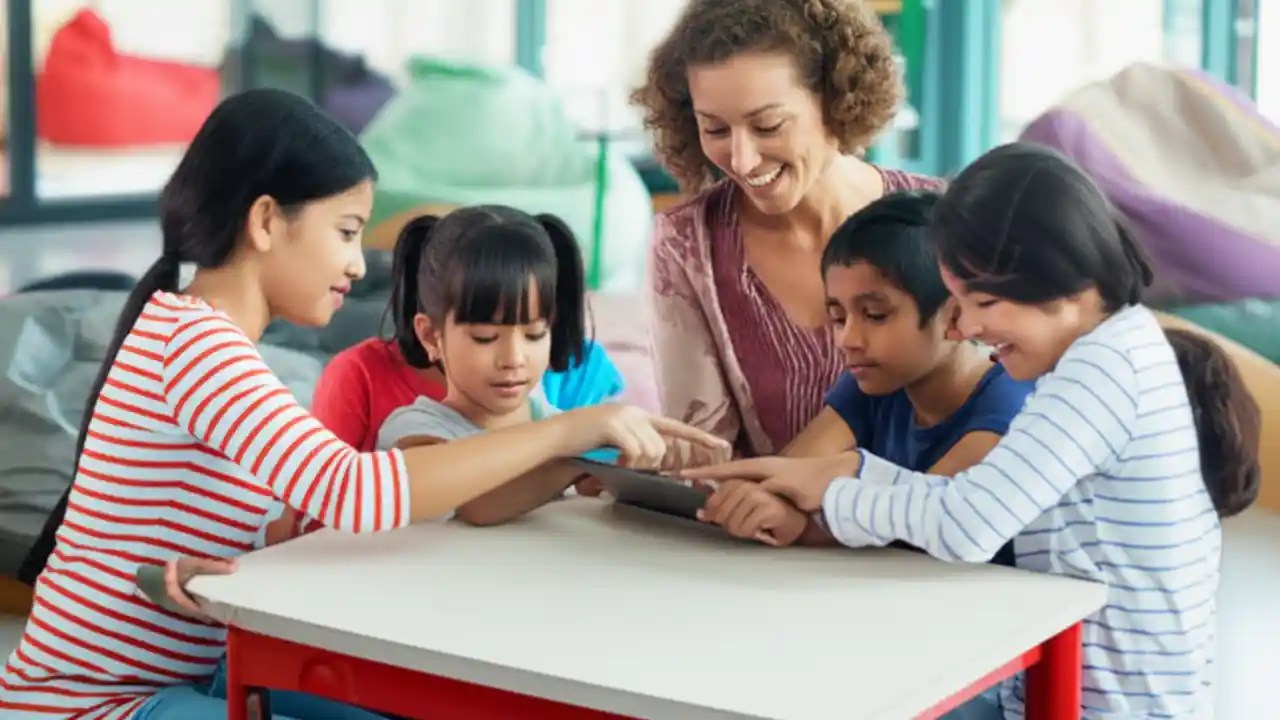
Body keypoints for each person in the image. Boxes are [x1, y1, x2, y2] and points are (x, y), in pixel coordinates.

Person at [0, 89, 722, 720]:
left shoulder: (198, 337)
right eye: (346, 231)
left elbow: (275, 517)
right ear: (265, 222)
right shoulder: (196, 346)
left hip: (191, 669)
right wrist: (571, 429)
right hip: (94, 701)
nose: (356, 262)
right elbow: (354, 489)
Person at [687, 143, 1261, 719]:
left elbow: (968, 526)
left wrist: (837, 495)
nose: (968, 327)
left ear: (1063, 280)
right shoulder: (1115, 351)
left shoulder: (1099, 373)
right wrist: (852, 471)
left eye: (983, 301)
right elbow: (974, 498)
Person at [632, 0, 943, 460]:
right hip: (766, 526)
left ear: (835, 99)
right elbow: (701, 449)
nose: (741, 159)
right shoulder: (686, 243)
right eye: (714, 129)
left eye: (768, 125)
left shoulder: (944, 219)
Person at [700, 191, 1034, 564]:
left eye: (875, 315)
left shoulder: (1010, 406)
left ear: (955, 317)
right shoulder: (876, 381)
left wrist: (807, 521)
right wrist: (766, 505)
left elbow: (922, 526)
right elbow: (789, 478)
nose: (847, 340)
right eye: (838, 318)